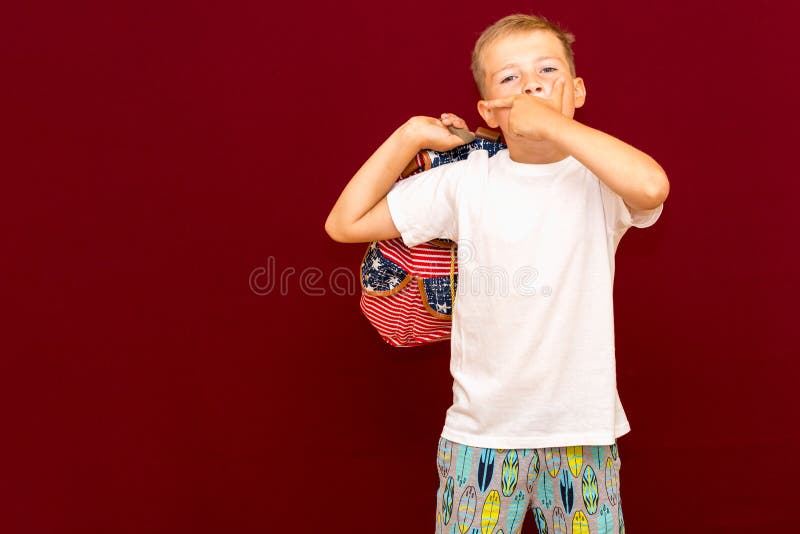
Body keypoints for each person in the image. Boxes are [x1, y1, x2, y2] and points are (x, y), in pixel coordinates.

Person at [325, 13, 669, 533]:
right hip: (481, 437)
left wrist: (550, 123)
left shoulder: (598, 179)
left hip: (581, 433)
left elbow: (651, 187)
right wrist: (410, 135)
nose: (530, 84)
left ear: (576, 91)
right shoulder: (467, 181)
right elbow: (343, 223)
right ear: (489, 108)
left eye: (547, 71)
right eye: (510, 78)